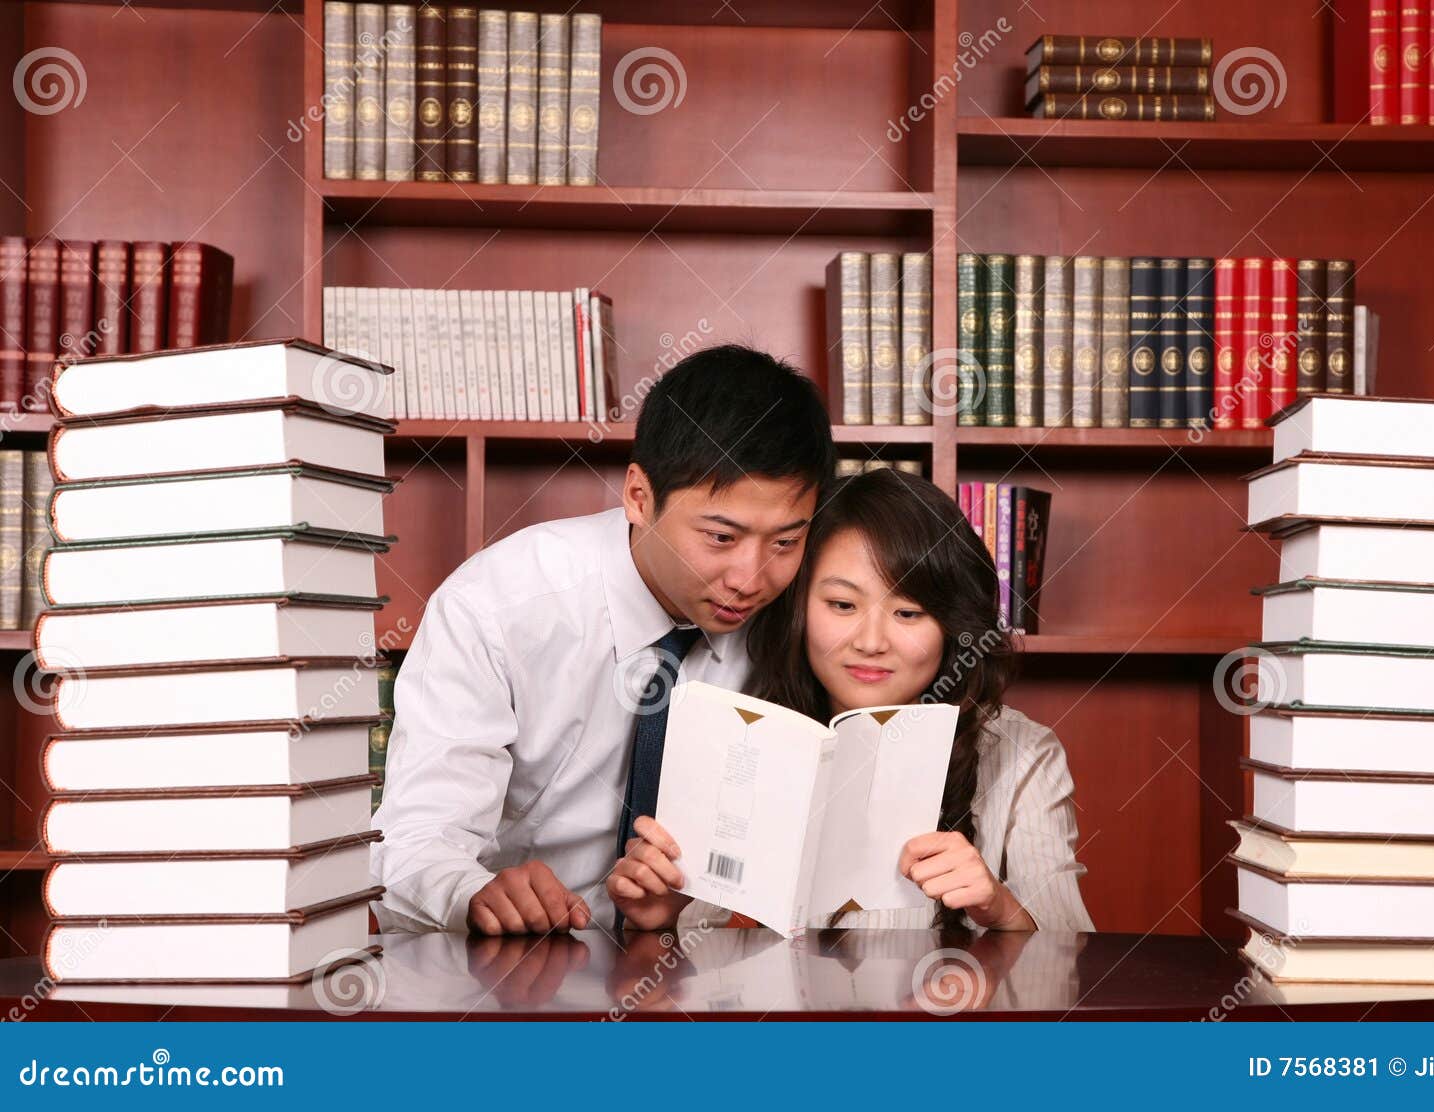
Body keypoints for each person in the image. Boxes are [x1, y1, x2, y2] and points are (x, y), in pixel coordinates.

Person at [370, 345, 835, 935]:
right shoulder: (497, 605)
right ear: (639, 497)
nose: (750, 579)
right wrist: (473, 893)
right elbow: (413, 842)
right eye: (721, 538)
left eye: (785, 542)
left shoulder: (804, 615)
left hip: (689, 967)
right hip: (510, 962)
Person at [607, 468, 1095, 932]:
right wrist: (660, 919)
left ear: (951, 624)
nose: (871, 641)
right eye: (842, 605)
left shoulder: (1021, 754)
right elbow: (697, 963)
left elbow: (1073, 960)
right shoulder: (743, 738)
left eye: (908, 613)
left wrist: (999, 909)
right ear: (798, 608)